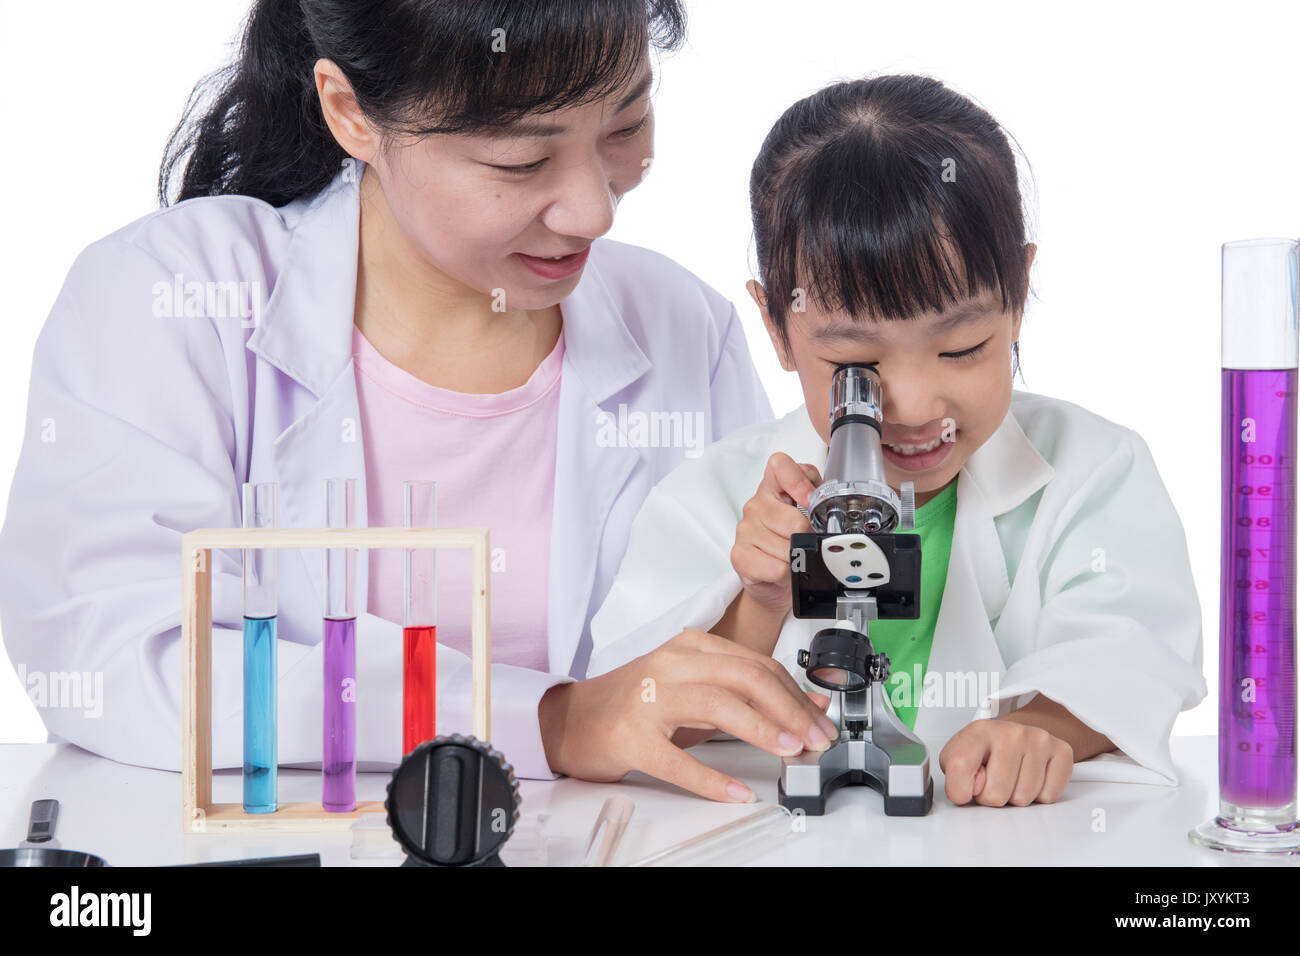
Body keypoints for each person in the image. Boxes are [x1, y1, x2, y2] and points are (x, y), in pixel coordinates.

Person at [0, 0, 834, 795]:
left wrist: (757, 620)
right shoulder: (175, 298)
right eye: (521, 159)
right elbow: (111, 661)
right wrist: (546, 723)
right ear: (351, 111)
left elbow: (751, 691)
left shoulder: (683, 326)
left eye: (626, 125)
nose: (593, 210)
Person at [582, 74, 1208, 808]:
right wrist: (757, 604)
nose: (911, 406)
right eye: (857, 366)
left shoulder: (1094, 469)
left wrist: (1047, 726)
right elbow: (633, 712)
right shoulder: (711, 496)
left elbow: (1134, 650)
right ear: (776, 328)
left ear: (1019, 295)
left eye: (963, 347)